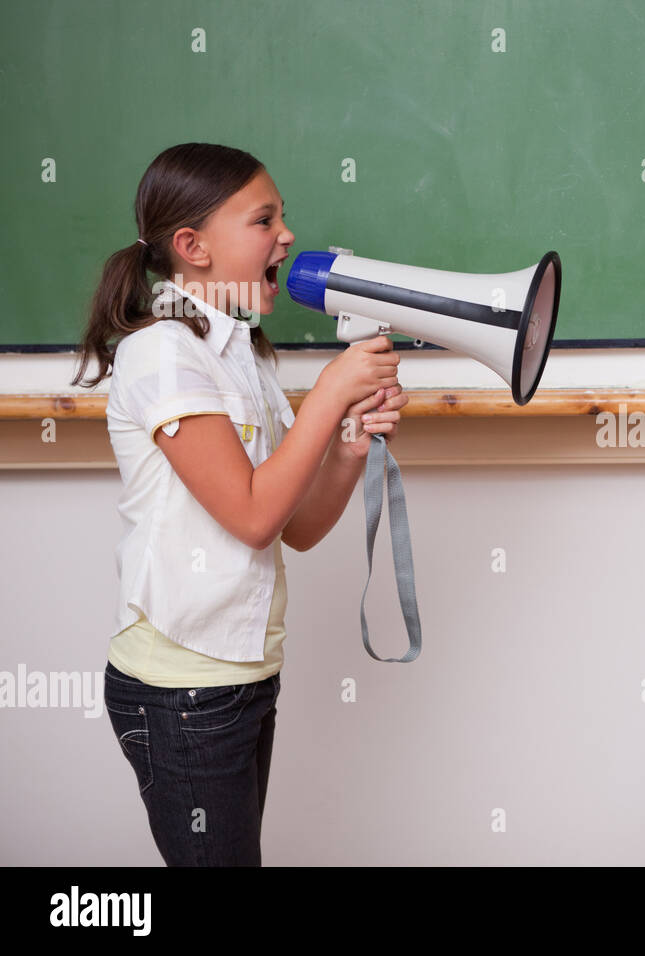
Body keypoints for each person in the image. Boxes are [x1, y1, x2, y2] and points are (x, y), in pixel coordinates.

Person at [71, 142, 407, 866]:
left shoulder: (242, 353)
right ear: (192, 247)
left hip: (243, 675)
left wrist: (348, 443)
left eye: (284, 218)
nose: (287, 236)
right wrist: (328, 395)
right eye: (264, 221)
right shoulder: (164, 353)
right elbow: (251, 515)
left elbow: (299, 526)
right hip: (184, 689)